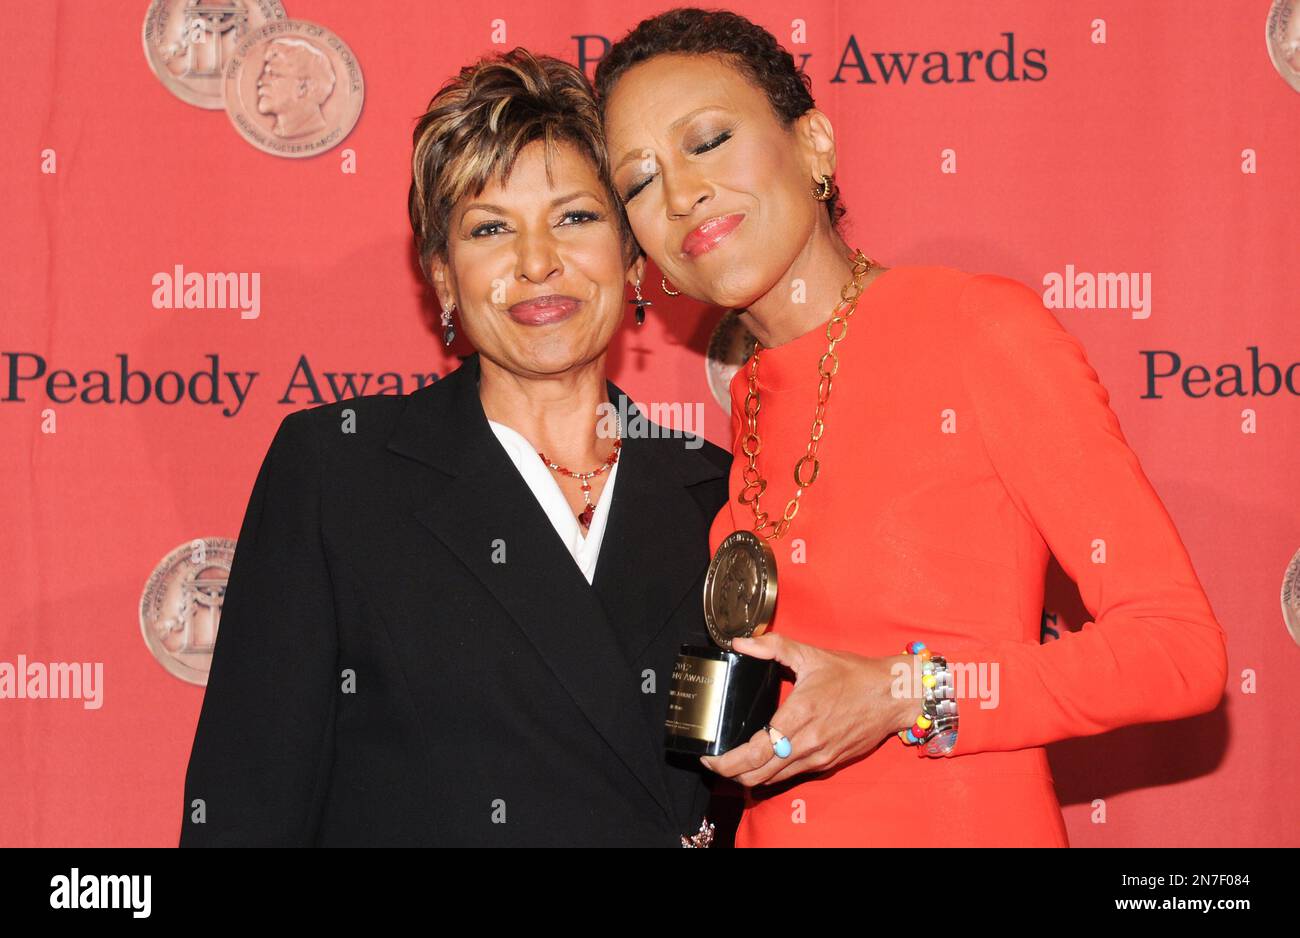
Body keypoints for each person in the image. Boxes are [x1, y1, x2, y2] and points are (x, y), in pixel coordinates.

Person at [594, 7, 1229, 846]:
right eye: (639, 181)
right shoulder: (751, 397)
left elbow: (1179, 653)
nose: (679, 193)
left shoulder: (975, 329)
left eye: (706, 141)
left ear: (815, 145)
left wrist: (905, 692)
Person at [180, 48, 731, 847]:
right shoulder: (340, 472)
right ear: (442, 278)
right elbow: (248, 802)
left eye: (575, 218)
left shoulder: (715, 495)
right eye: (490, 229)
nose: (538, 262)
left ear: (633, 256)